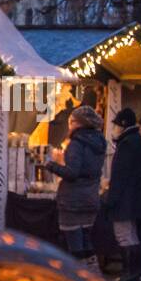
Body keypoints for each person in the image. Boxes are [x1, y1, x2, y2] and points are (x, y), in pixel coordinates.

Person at [43, 105, 106, 271]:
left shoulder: (76, 143)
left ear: (78, 123)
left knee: (74, 243)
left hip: (73, 200)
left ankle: (79, 277)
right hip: (90, 197)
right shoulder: (99, 141)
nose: (69, 125)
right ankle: (93, 275)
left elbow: (72, 173)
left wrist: (51, 165)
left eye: (71, 121)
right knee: (86, 239)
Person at [105, 107, 141, 281]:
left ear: (123, 125)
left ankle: (130, 272)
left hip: (126, 200)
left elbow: (120, 175)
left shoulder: (127, 144)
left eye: (116, 124)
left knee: (125, 235)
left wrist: (111, 199)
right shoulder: (136, 141)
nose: (114, 128)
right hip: (135, 198)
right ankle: (137, 270)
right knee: (134, 235)